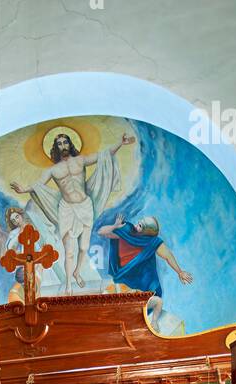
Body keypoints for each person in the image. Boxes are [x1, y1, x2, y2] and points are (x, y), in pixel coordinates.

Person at [11, 130, 135, 293]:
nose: (63, 146)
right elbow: (38, 185)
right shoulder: (53, 170)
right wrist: (23, 190)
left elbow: (103, 155)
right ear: (56, 148)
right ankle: (69, 283)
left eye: (65, 142)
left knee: (83, 247)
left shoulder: (80, 160)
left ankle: (77, 271)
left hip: (85, 205)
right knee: (69, 250)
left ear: (70, 144)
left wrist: (120, 143)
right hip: (67, 209)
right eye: (59, 144)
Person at [98, 212, 192, 328]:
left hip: (143, 283)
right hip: (124, 279)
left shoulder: (151, 242)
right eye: (139, 222)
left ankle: (153, 321)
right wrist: (115, 226)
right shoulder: (127, 229)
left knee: (151, 302)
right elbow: (102, 232)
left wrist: (179, 272)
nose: (137, 225)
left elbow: (168, 255)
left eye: (141, 225)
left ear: (147, 232)